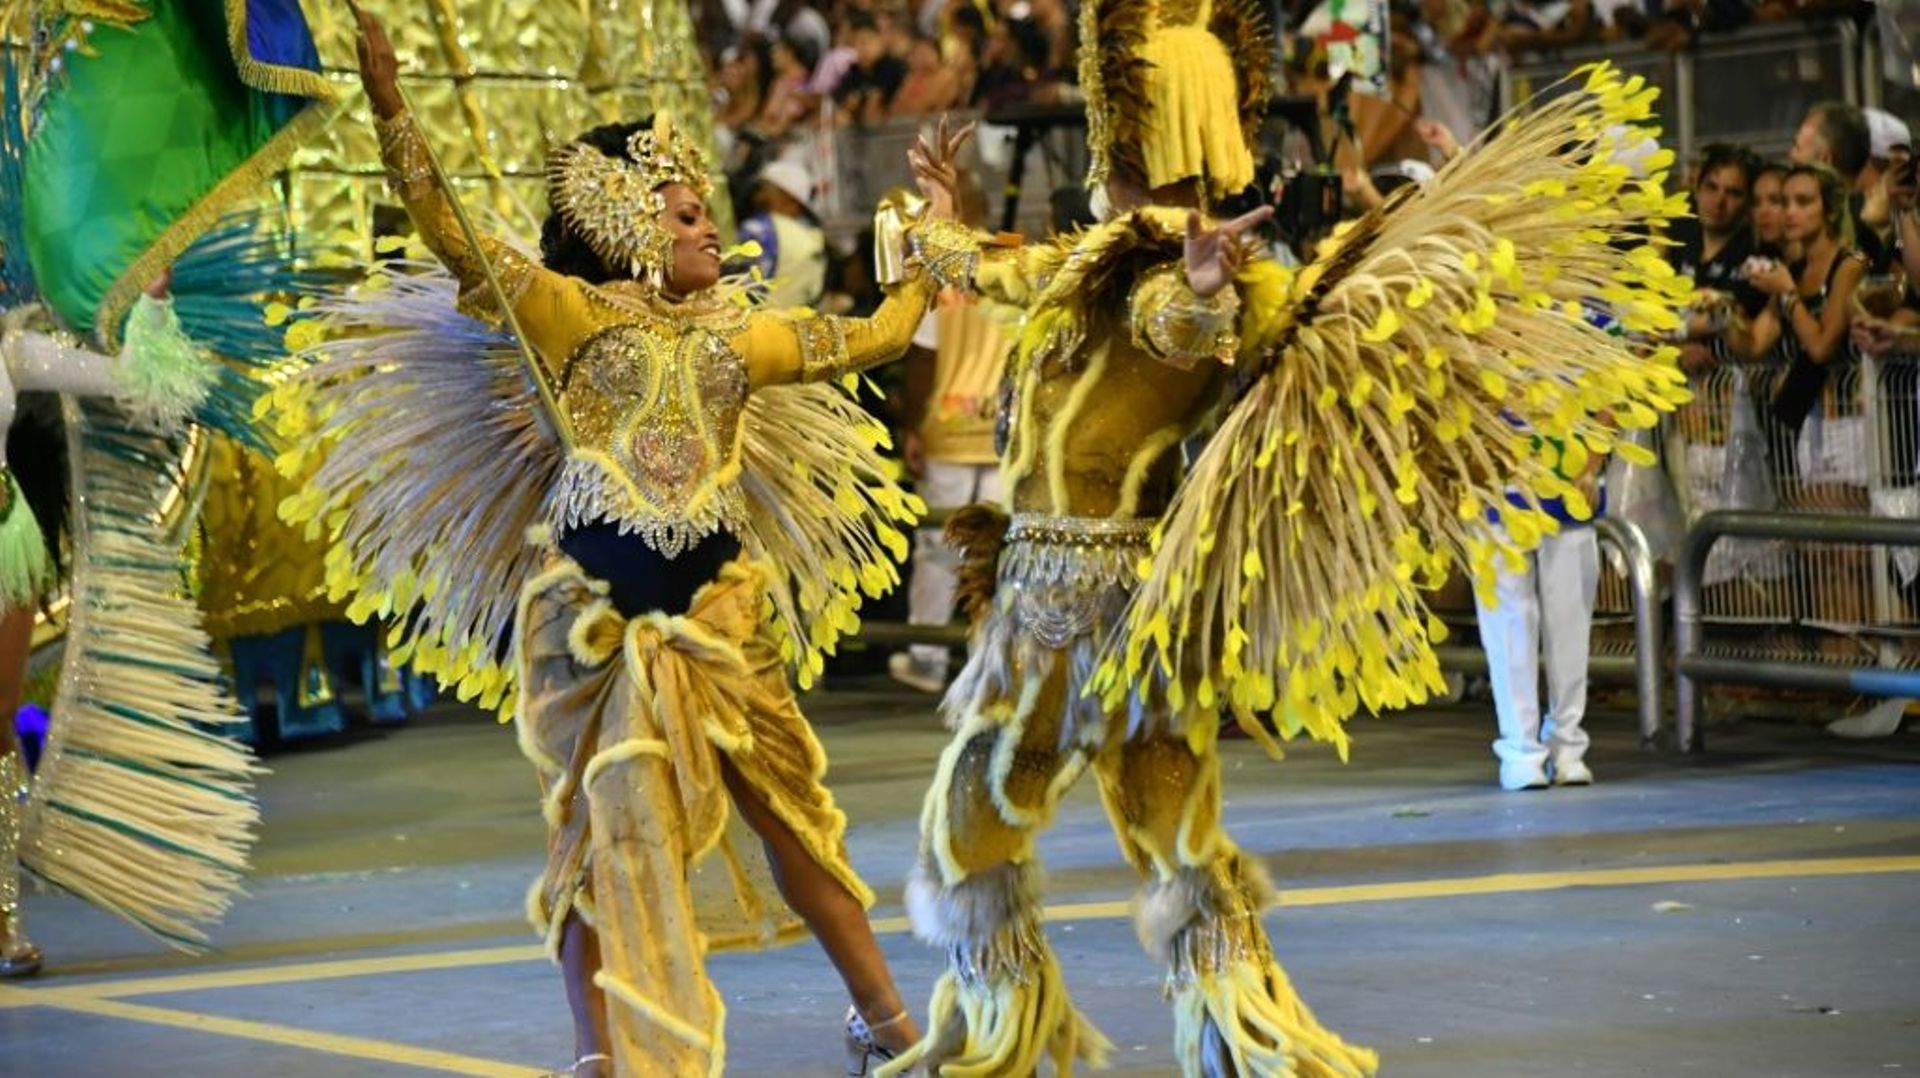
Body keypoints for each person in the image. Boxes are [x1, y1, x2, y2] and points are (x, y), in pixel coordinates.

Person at [881, 0, 1693, 1061]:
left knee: (969, 833)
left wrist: (1205, 293)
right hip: (1137, 616)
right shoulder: (1104, 260)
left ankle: (998, 1039)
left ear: (1127, 134)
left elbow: (1179, 327)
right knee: (1177, 839)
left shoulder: (1173, 276)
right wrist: (948, 216)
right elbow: (994, 267)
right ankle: (1248, 1042)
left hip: (1059, 615)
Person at [330, 8, 969, 1074]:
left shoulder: (743, 334)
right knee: (593, 835)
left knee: (791, 819)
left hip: (720, 616)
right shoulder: (568, 313)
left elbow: (884, 334)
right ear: (632, 223)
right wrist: (392, 103)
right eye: (686, 215)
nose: (711, 230)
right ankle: (598, 1058)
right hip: (595, 620)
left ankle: (885, 1021)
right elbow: (445, 223)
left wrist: (935, 231)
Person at [889, 179, 1011, 695]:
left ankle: (928, 659)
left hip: (947, 425)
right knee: (1003, 550)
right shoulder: (1012, 260)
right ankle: (999, 659)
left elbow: (923, 357)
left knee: (940, 548)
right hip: (1003, 429)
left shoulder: (940, 271)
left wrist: (912, 423)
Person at [1475, 433, 1609, 790]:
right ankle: (1520, 750)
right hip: (1494, 485)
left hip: (1570, 485)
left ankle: (1567, 745)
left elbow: (1608, 391)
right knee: (1511, 626)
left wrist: (1592, 465)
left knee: (1570, 625)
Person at [1724, 162, 1866, 491]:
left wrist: (1787, 295)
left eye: (1803, 203)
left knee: (1848, 537)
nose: (1789, 212)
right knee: (1815, 537)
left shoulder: (1851, 264)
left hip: (1850, 422)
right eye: (1785, 202)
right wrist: (1722, 313)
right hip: (1808, 423)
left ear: (1829, 211)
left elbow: (1821, 346)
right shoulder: (1793, 270)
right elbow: (1754, 344)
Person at [740, 159, 829, 309]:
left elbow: (746, 291)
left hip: (757, 326)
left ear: (786, 196)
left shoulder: (759, 229)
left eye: (764, 188)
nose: (758, 193)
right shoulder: (813, 238)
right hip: (796, 326)